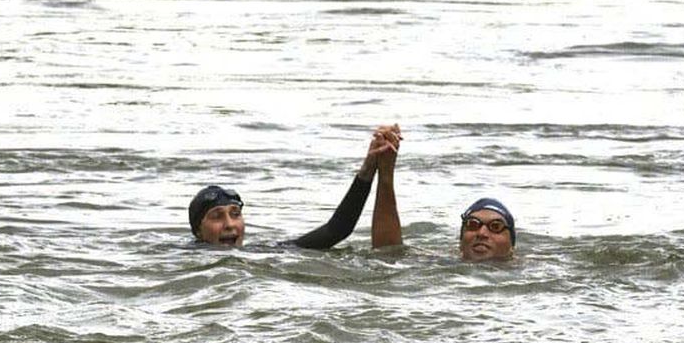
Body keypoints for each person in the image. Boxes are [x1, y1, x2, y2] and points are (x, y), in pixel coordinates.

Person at [186, 126, 399, 249]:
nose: (229, 224)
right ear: (198, 232)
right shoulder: (180, 259)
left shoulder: (263, 253)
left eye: (235, 214)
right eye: (217, 216)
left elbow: (337, 230)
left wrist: (368, 171)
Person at [370, 124, 517, 261]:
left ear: (512, 247)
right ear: (460, 245)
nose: (482, 233)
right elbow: (388, 252)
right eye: (473, 224)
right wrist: (386, 171)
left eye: (496, 227)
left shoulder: (530, 269)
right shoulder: (442, 264)